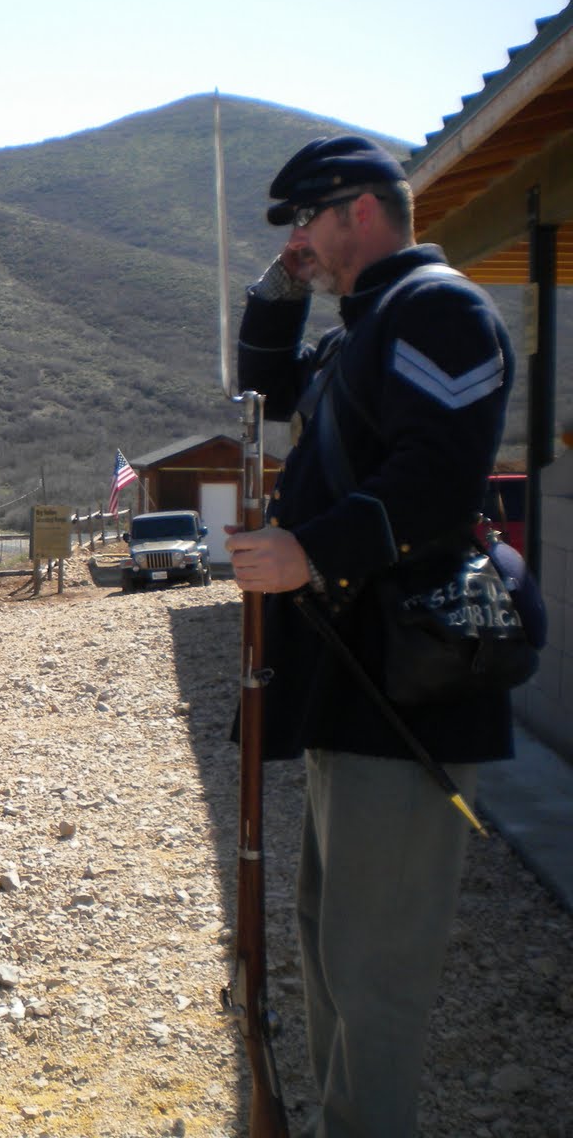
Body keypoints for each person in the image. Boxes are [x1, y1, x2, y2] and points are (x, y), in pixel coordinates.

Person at [227, 136, 515, 1138]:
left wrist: (309, 552)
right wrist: (282, 280)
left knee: (373, 973)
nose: (296, 241)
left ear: (358, 210)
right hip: (355, 679)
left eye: (304, 222)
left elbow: (436, 478)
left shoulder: (435, 310)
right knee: (325, 943)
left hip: (405, 683)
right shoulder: (366, 327)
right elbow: (266, 395)